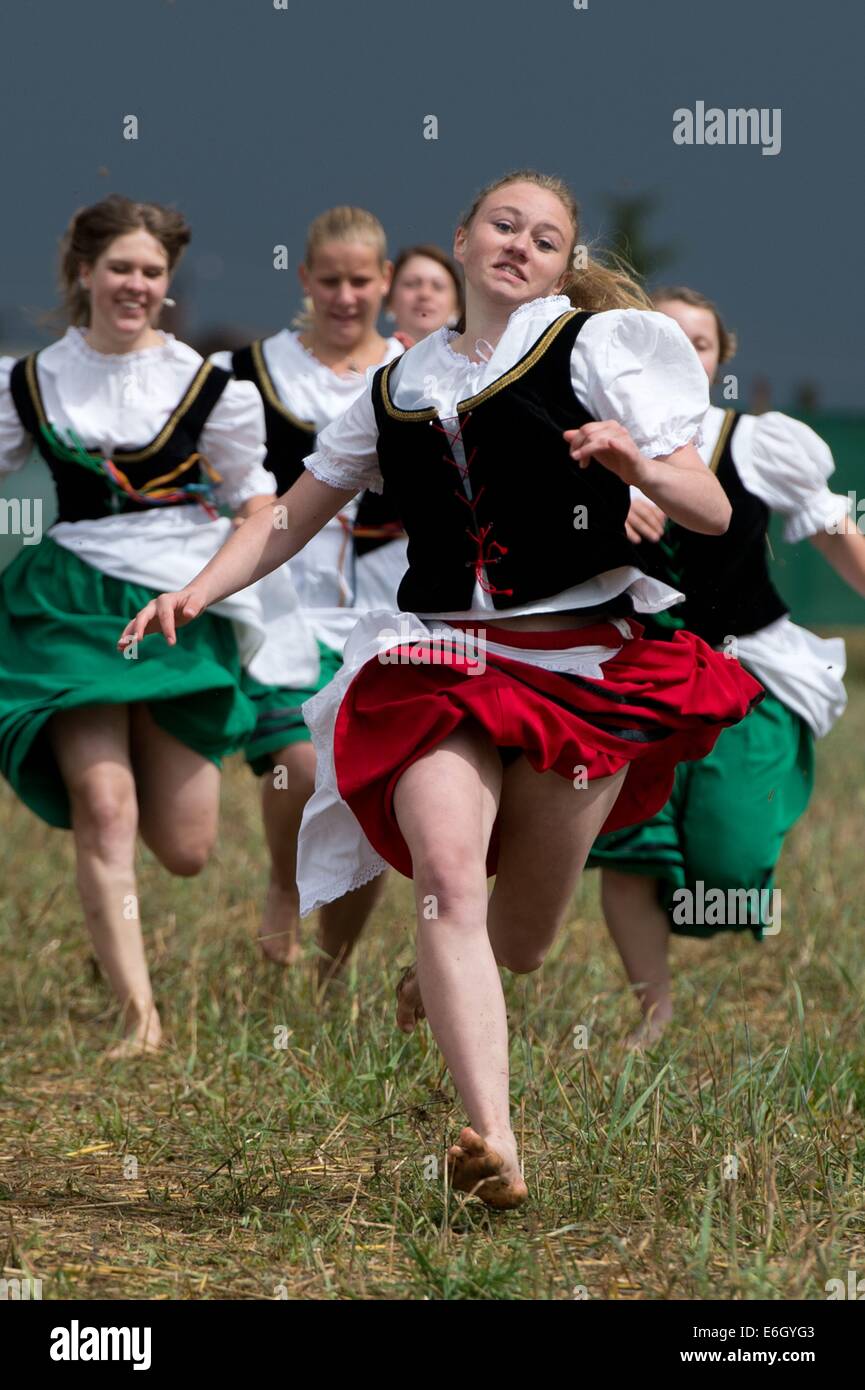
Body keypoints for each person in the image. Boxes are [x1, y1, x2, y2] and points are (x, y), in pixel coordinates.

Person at [120, 171, 762, 1204]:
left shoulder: (598, 349)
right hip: (438, 661)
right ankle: (493, 1140)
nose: (519, 244)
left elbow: (709, 508)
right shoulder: (392, 386)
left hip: (582, 667)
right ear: (461, 239)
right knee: (450, 879)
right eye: (502, 224)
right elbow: (289, 516)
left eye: (544, 237)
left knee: (527, 938)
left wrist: (637, 464)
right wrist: (196, 590)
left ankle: (439, 980)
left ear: (562, 263)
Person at [0, 194, 315, 1057]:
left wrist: (243, 548)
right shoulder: (30, 381)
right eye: (120, 268)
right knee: (105, 807)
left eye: (151, 271)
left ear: (165, 281)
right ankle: (140, 1018)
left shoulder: (208, 386)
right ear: (83, 273)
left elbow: (258, 498)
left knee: (184, 847)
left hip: (177, 601)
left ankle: (122, 936)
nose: (135, 284)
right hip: (68, 603)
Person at [589, 286, 865, 1046]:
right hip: (632, 671)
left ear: (719, 359)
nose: (681, 355)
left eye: (698, 344)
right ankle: (654, 1012)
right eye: (664, 339)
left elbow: (840, 537)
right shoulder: (586, 438)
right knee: (631, 845)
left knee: (729, 873)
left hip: (743, 672)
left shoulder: (755, 443)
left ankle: (712, 877)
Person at [212, 206, 404, 973]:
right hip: (286, 609)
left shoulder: (417, 372)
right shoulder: (248, 374)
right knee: (302, 763)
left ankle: (334, 961)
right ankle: (283, 886)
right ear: (304, 279)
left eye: (361, 280)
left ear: (385, 280)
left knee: (369, 787)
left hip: (392, 614)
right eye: (330, 280)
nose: (346, 296)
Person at [353, 245, 465, 611]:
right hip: (373, 560)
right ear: (390, 299)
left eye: (437, 285)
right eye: (412, 283)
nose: (424, 293)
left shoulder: (485, 373)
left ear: (457, 305)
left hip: (461, 561)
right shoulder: (366, 374)